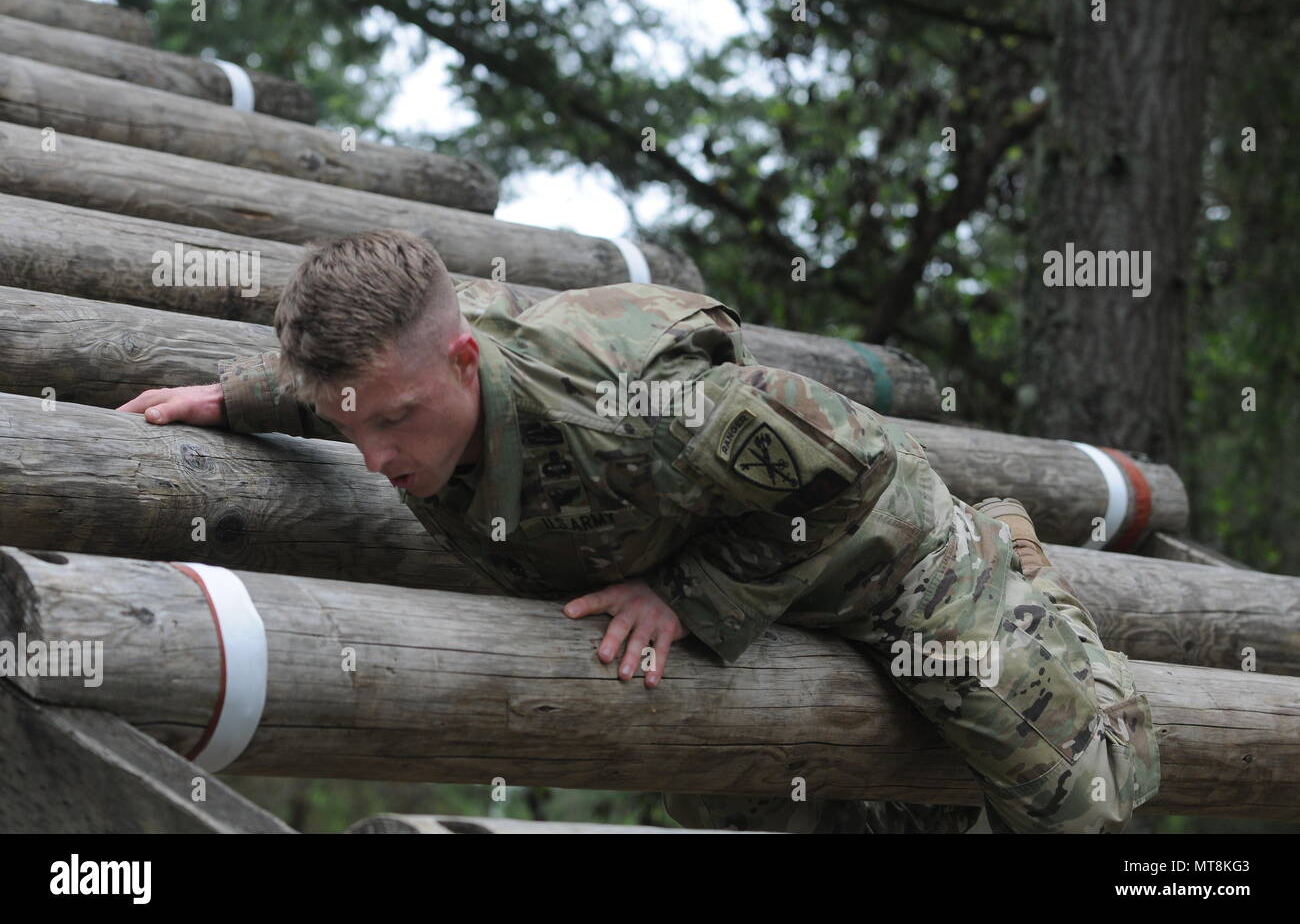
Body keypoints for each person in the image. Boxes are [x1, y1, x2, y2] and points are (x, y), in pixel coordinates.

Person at [118, 230, 1160, 833]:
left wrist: (688, 597)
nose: (378, 456)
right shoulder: (387, 384)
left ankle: (1057, 638)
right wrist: (230, 396)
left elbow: (856, 468)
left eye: (395, 421)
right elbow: (334, 390)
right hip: (733, 602)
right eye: (354, 425)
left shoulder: (633, 403)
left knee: (1077, 798)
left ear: (468, 362)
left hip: (890, 559)